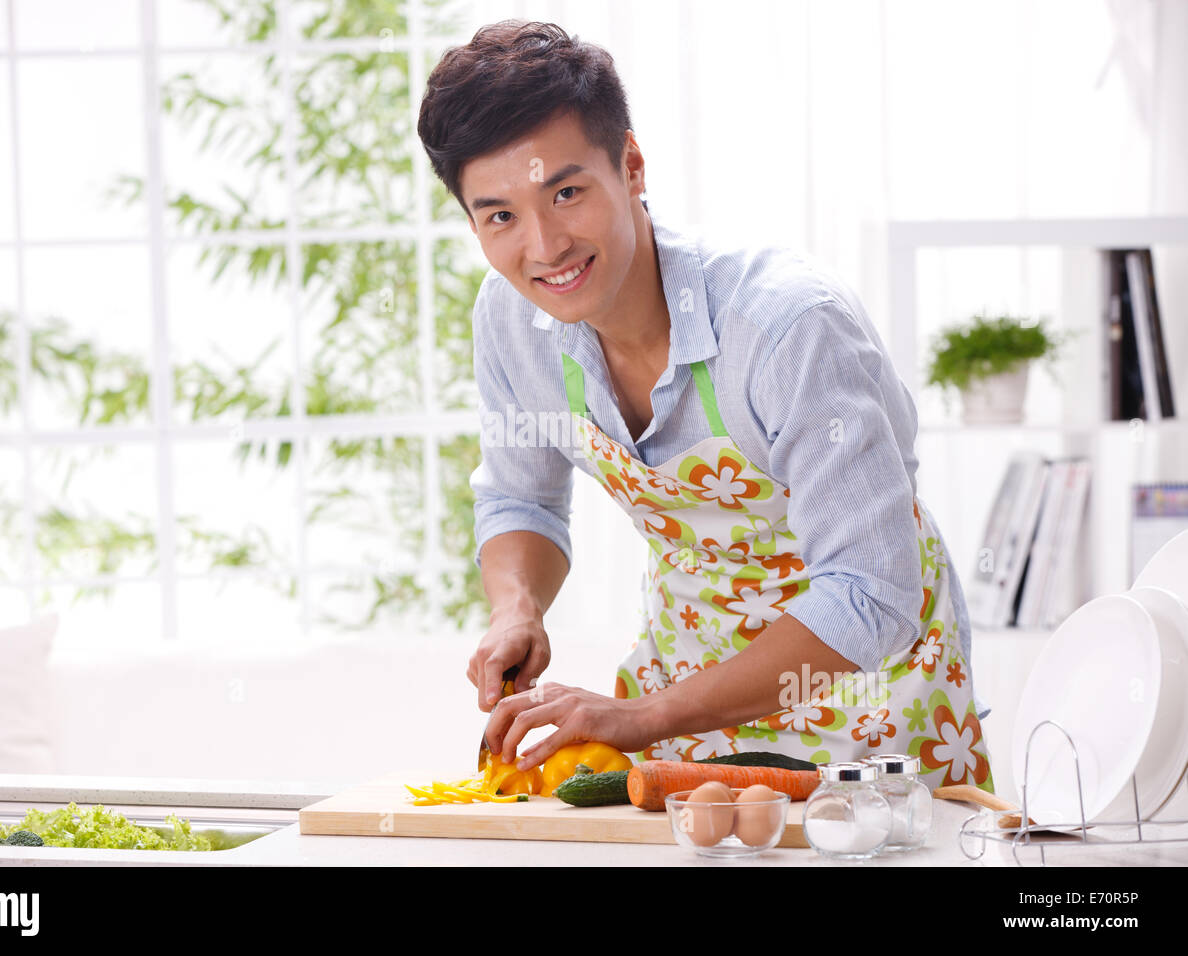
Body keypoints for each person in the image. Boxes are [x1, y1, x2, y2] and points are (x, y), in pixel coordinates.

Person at [416, 20, 994, 792]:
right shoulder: (511, 320)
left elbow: (869, 589)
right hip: (689, 672)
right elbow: (522, 493)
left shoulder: (787, 327)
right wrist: (515, 609)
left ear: (630, 165)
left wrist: (646, 717)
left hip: (871, 688)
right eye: (501, 216)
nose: (544, 246)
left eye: (566, 191)